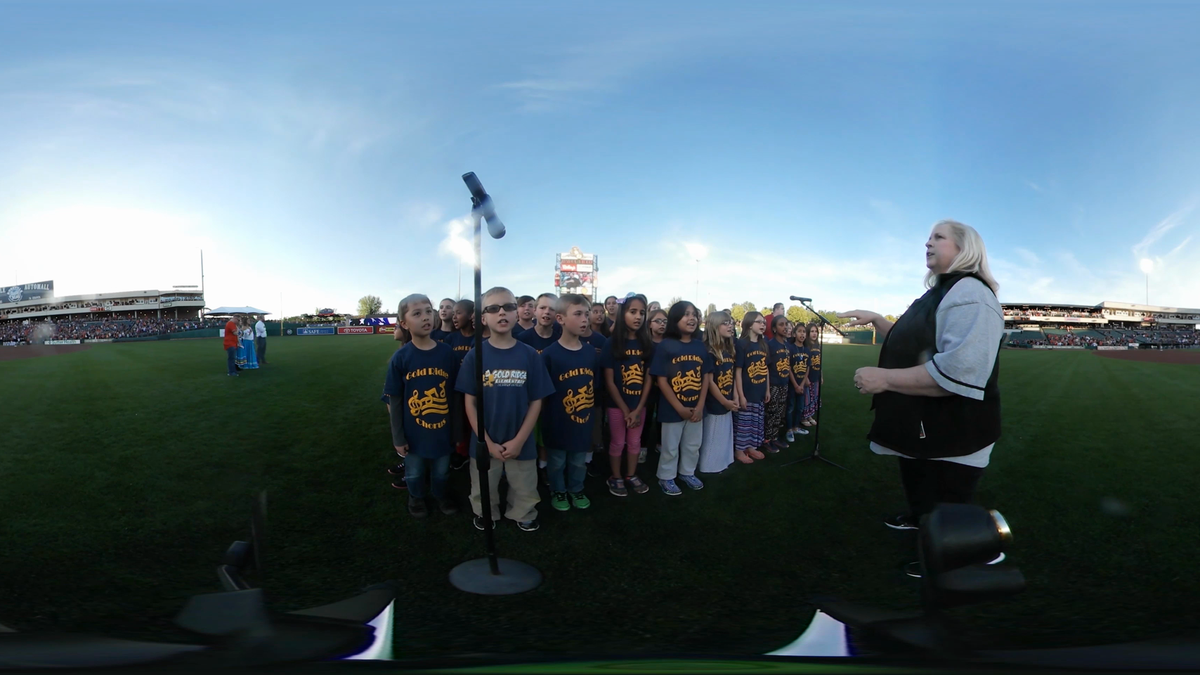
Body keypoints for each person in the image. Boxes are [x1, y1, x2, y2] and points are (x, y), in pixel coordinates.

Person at [838, 220, 1004, 560]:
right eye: (928, 237)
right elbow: (916, 340)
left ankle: (948, 557)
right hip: (925, 427)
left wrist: (883, 379)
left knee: (947, 505)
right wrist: (878, 320)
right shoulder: (942, 291)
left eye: (938, 237)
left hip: (955, 431)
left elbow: (959, 372)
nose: (927, 243)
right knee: (920, 487)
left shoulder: (970, 294)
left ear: (963, 248)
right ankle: (920, 520)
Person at [456, 287, 554, 532]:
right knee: (483, 485)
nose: (502, 313)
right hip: (484, 440)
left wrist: (521, 440)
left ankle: (523, 512)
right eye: (493, 308)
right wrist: (486, 441)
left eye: (508, 306)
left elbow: (537, 400)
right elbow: (469, 402)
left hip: (520, 439)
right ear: (483, 318)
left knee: (525, 484)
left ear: (517, 312)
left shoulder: (530, 355)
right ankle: (485, 512)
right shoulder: (474, 356)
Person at [385, 294, 459, 518]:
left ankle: (440, 495)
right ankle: (416, 497)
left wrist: (456, 431)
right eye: (417, 313)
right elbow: (395, 400)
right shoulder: (400, 358)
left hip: (443, 430)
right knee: (415, 473)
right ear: (404, 323)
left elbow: (455, 396)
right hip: (413, 433)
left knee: (441, 473)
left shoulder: (447, 354)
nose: (426, 317)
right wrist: (398, 438)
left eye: (429, 311)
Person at [541, 294, 599, 512]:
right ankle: (558, 489)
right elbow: (542, 394)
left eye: (587, 314)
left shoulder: (591, 352)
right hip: (556, 422)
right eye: (578, 314)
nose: (585, 319)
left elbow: (595, 385)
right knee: (556, 461)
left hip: (583, 421)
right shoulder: (549, 355)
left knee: (578, 460)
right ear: (560, 318)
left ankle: (576, 488)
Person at [648, 300, 712, 495]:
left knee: (693, 445)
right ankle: (666, 476)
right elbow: (661, 380)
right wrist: (679, 408)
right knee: (670, 446)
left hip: (696, 407)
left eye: (694, 314)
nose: (691, 318)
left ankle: (687, 472)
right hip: (672, 408)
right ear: (675, 319)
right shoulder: (665, 346)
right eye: (686, 314)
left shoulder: (700, 346)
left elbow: (706, 377)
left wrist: (700, 406)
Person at [600, 293, 653, 496]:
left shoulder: (647, 345)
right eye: (633, 312)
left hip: (639, 406)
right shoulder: (611, 343)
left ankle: (631, 474)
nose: (638, 317)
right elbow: (610, 381)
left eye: (642, 312)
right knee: (617, 442)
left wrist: (638, 409)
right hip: (617, 406)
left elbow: (649, 379)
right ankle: (616, 476)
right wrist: (625, 410)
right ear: (623, 314)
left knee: (634, 443)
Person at [698, 310, 738, 474]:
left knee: (723, 433)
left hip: (727, 397)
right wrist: (724, 401)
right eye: (725, 323)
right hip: (715, 401)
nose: (730, 326)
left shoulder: (729, 349)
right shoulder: (709, 351)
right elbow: (710, 381)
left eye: (731, 323)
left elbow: (733, 374)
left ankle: (722, 461)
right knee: (712, 434)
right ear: (714, 326)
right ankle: (709, 465)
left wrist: (734, 397)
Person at [733, 312, 770, 462]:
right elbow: (738, 371)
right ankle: (739, 450)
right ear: (749, 324)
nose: (763, 325)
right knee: (743, 422)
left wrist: (767, 389)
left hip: (759, 391)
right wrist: (741, 395)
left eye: (764, 322)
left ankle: (750, 446)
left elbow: (766, 368)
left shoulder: (763, 344)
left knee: (755, 421)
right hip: (747, 391)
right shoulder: (741, 344)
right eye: (759, 322)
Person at [643, 307, 668, 463]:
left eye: (665, 321)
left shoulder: (669, 344)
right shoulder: (645, 343)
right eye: (657, 321)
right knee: (646, 416)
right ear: (650, 324)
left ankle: (660, 443)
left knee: (662, 417)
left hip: (665, 387)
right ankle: (643, 445)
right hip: (647, 386)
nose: (662, 324)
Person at [763, 315, 792, 452]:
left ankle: (774, 437)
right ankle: (767, 439)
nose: (785, 327)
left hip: (784, 383)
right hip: (773, 384)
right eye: (781, 324)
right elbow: (766, 367)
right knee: (771, 412)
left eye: (786, 324)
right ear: (774, 328)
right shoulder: (770, 345)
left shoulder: (787, 345)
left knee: (780, 412)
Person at [786, 325, 811, 441]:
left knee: (800, 407)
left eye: (804, 332)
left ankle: (796, 427)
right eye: (800, 332)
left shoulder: (807, 350)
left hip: (802, 385)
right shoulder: (790, 348)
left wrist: (802, 384)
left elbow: (807, 368)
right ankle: (789, 429)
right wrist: (796, 385)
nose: (802, 334)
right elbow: (789, 368)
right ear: (794, 334)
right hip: (792, 384)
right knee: (790, 407)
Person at [801, 323, 822, 427]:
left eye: (816, 331)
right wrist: (805, 378)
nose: (814, 334)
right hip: (808, 377)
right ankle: (804, 416)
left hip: (816, 376)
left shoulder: (818, 346)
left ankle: (810, 415)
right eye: (812, 331)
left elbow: (820, 362)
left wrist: (821, 375)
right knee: (807, 397)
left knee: (815, 396)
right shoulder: (806, 347)